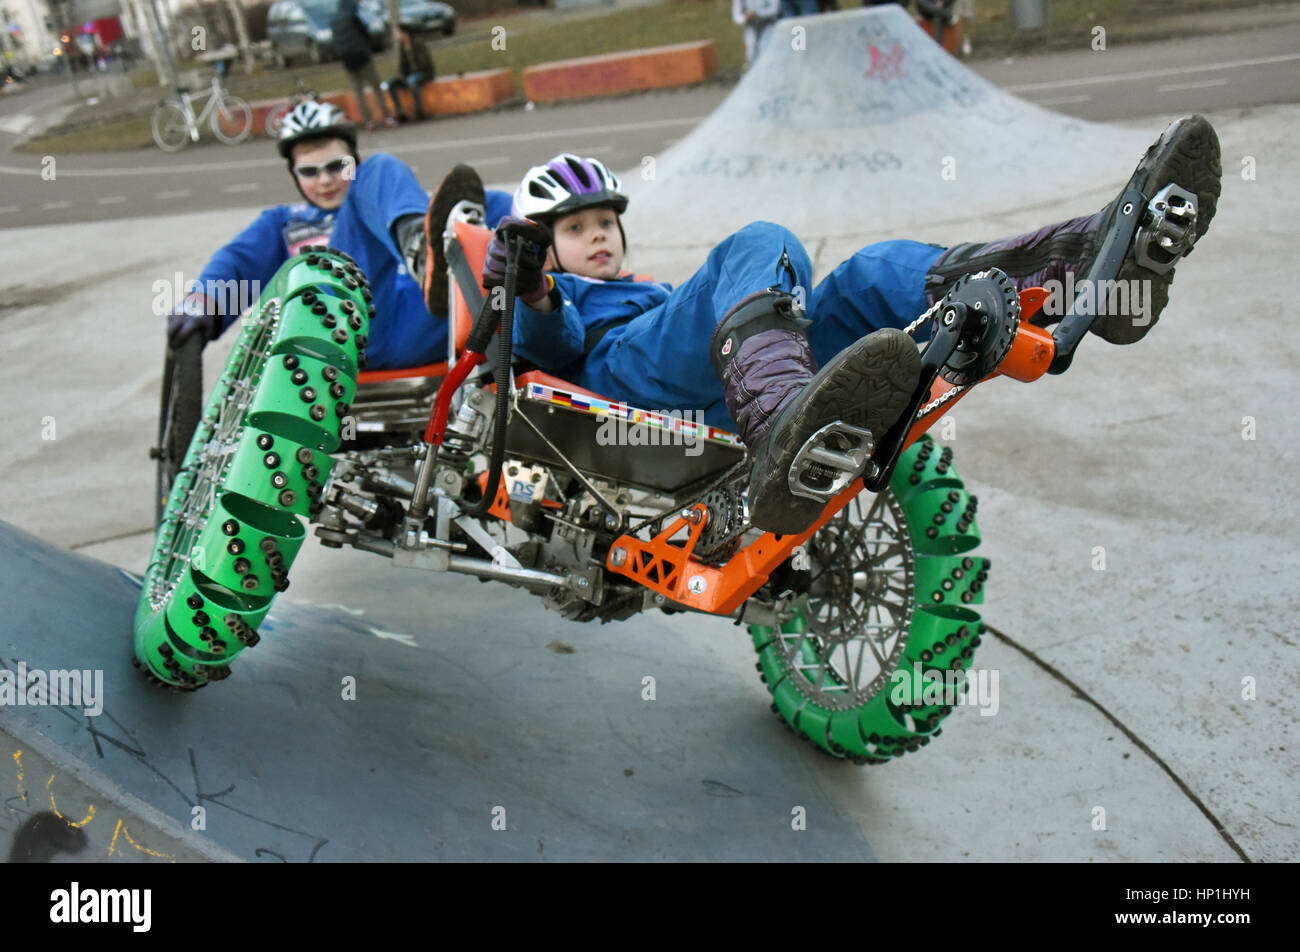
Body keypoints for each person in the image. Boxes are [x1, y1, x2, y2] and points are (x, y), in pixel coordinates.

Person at [439, 116, 1220, 536]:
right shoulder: (568, 300)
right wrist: (536, 288)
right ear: (550, 245)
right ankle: (783, 420)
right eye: (576, 229)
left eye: (607, 220)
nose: (600, 234)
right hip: (620, 394)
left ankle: (1082, 266)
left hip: (721, 391)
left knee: (868, 272)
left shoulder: (653, 289)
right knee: (762, 243)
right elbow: (544, 352)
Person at [166, 101, 512, 370]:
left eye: (337, 166)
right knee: (381, 169)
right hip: (349, 328)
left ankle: (541, 277)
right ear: (293, 177)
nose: (326, 180)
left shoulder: (389, 196)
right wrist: (203, 300)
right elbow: (237, 262)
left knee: (487, 205)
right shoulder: (283, 223)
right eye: (310, 172)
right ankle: (428, 255)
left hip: (429, 320)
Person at [331, 0, 398, 132]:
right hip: (363, 58)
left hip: (348, 62)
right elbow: (365, 34)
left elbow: (335, 44)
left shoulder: (334, 22)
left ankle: (369, 121)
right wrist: (371, 48)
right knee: (376, 87)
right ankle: (387, 117)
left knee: (359, 92)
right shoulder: (352, 18)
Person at [382, 23, 436, 122]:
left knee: (412, 81)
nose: (396, 35)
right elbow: (403, 64)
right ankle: (400, 113)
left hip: (422, 73)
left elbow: (423, 63)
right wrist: (401, 73)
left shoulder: (417, 43)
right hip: (409, 75)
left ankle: (419, 112)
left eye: (398, 32)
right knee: (391, 84)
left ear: (404, 33)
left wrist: (409, 74)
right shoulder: (402, 46)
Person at [732, 0, 781, 66]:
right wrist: (744, 18)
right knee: (750, 53)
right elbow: (736, 16)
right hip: (751, 24)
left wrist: (758, 13)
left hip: (768, 23)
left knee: (765, 50)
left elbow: (775, 9)